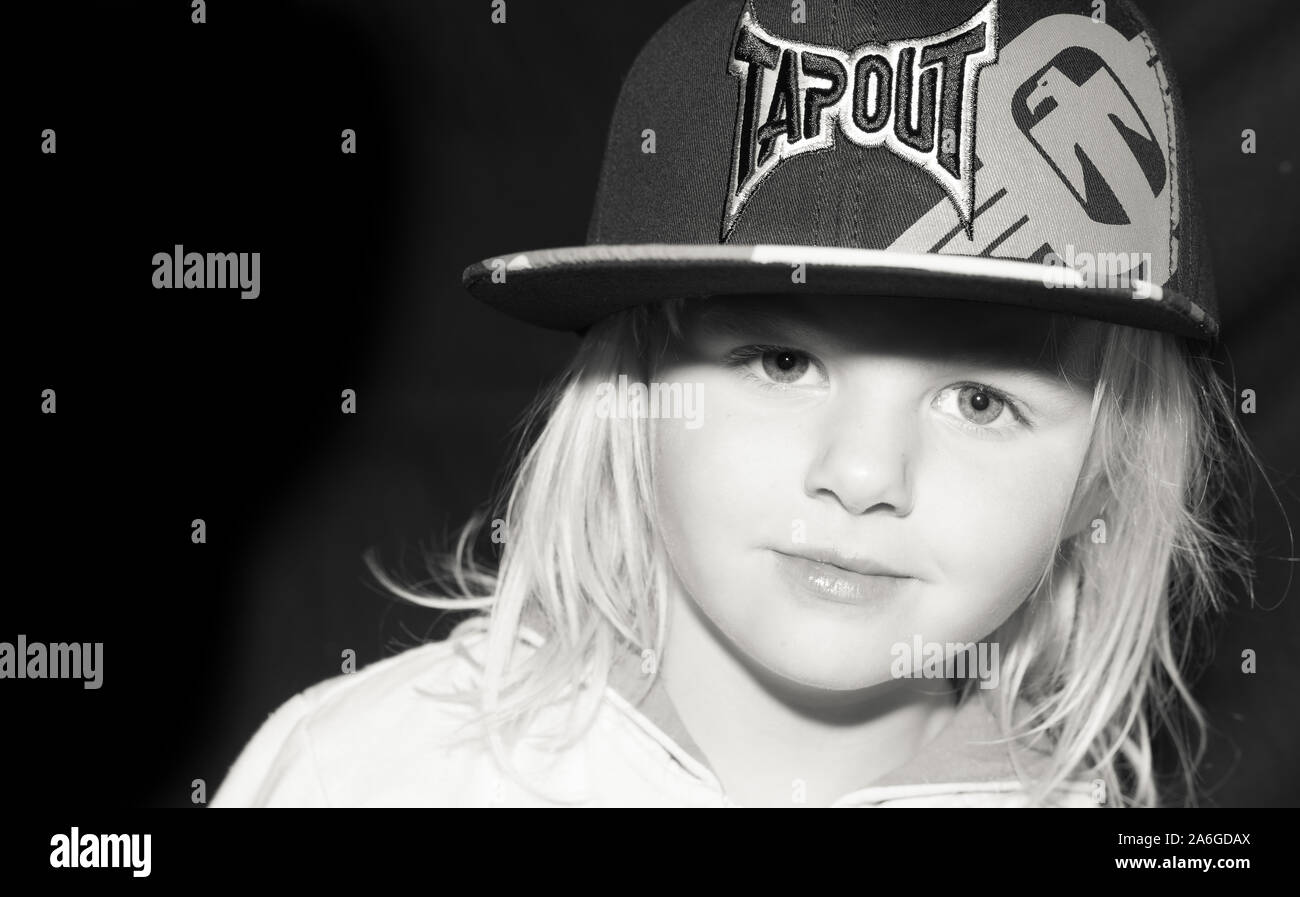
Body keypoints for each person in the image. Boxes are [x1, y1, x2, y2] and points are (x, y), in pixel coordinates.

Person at [211, 0, 1263, 808]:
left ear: (1111, 470)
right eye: (779, 362)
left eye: (979, 400)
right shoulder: (373, 773)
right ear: (630, 383)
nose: (859, 476)